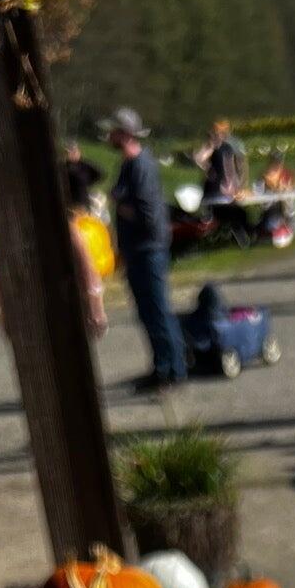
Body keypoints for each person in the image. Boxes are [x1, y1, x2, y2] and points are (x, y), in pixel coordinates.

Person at [107, 106, 185, 393]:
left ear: (125, 134)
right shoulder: (129, 165)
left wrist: (120, 205)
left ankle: (174, 371)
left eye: (114, 131)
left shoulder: (141, 166)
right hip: (136, 250)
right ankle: (160, 367)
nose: (109, 136)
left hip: (148, 249)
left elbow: (149, 216)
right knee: (146, 312)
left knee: (158, 310)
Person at [64, 140, 103, 211]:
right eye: (69, 152)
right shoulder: (64, 165)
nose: (71, 155)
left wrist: (88, 182)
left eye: (74, 152)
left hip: (80, 200)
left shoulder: (84, 164)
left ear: (79, 152)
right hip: (67, 199)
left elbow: (99, 173)